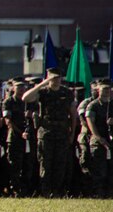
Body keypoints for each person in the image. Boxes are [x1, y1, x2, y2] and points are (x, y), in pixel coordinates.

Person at [22, 67, 76, 197]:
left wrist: (72, 133)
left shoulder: (67, 93)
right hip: (46, 132)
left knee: (60, 163)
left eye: (58, 78)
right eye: (53, 78)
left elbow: (73, 114)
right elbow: (26, 98)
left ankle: (57, 191)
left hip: (62, 132)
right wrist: (43, 83)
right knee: (45, 162)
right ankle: (45, 191)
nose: (56, 80)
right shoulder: (43, 92)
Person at [85, 78, 112, 197]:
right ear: (98, 90)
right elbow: (90, 123)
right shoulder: (93, 105)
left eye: (108, 89)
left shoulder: (111, 105)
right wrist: (99, 138)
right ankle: (98, 193)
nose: (107, 91)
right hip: (99, 141)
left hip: (110, 139)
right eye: (104, 89)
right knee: (99, 170)